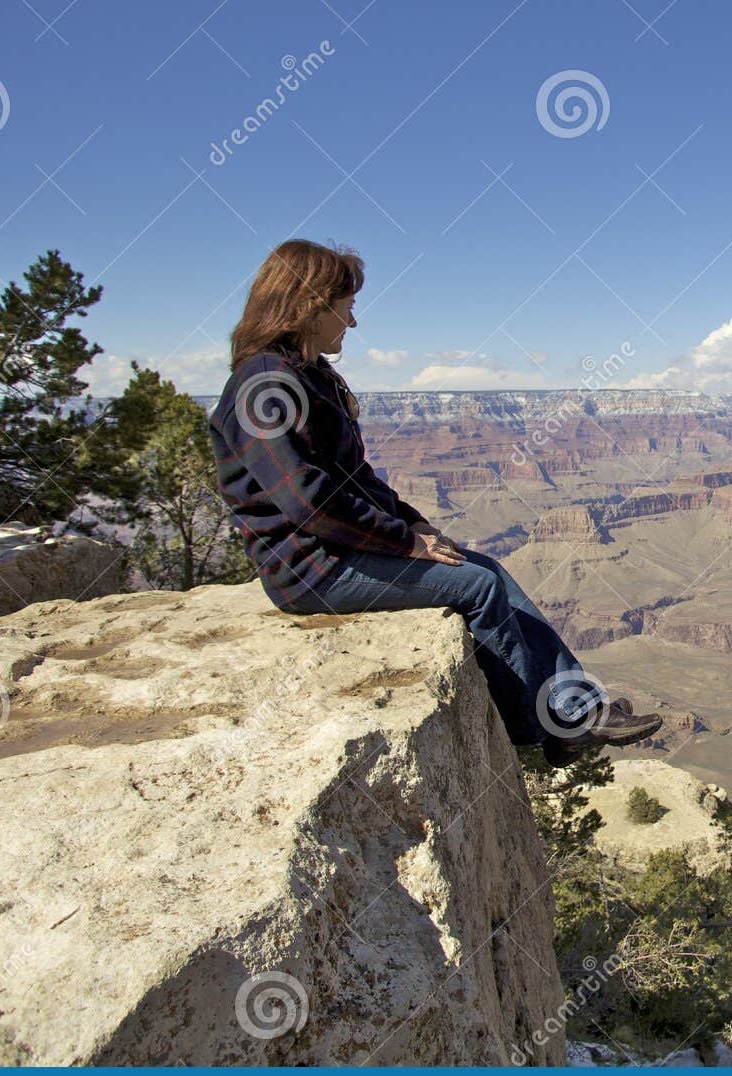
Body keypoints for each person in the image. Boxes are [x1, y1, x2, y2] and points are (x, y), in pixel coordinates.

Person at [207, 238, 662, 767]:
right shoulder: (263, 386)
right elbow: (308, 503)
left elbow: (355, 478)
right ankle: (540, 731)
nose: (350, 325)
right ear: (310, 306)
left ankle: (578, 709)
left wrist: (416, 525)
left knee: (484, 566)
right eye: (346, 308)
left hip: (339, 552)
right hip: (312, 569)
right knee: (477, 586)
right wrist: (404, 542)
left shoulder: (307, 377)